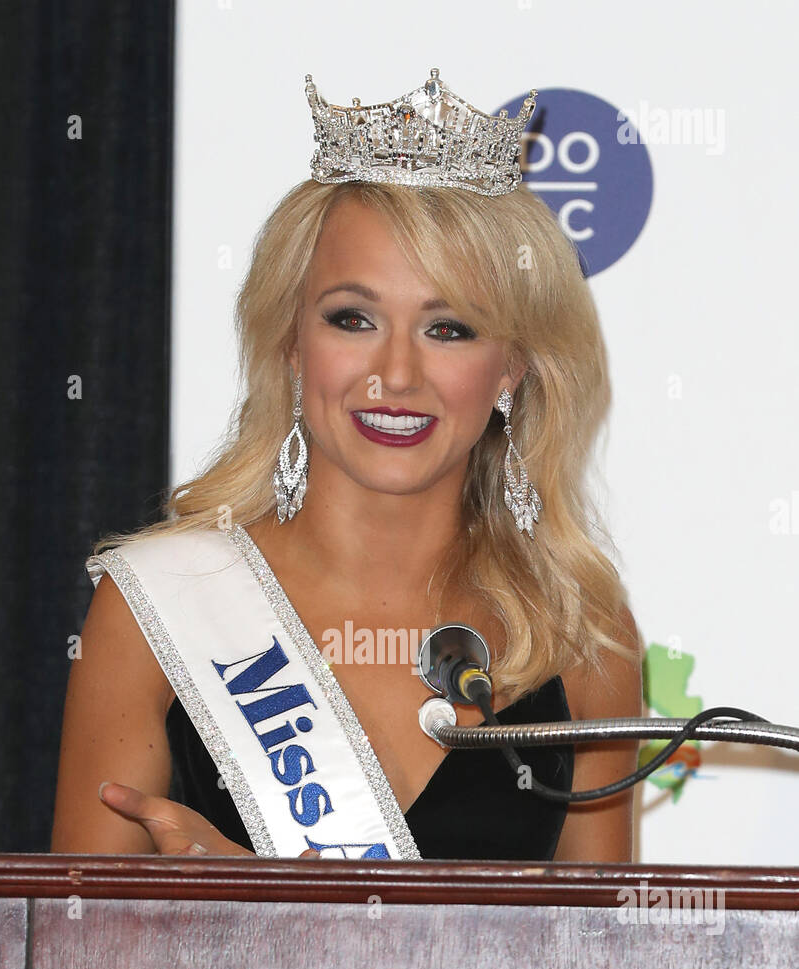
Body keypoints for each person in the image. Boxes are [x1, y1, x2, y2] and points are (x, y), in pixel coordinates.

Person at [50, 70, 642, 863]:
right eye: (352, 319)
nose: (394, 374)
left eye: (451, 328)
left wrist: (261, 907)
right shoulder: (156, 606)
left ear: (513, 370)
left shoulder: (579, 640)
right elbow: (74, 967)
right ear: (291, 346)